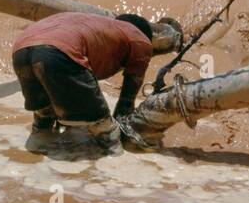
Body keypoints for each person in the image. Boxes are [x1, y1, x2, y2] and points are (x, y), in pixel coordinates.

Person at [12, 11, 154, 155]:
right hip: (58, 51)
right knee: (103, 125)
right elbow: (125, 104)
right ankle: (113, 164)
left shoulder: (97, 24)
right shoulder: (141, 39)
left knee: (45, 113)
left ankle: (36, 154)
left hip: (21, 50)